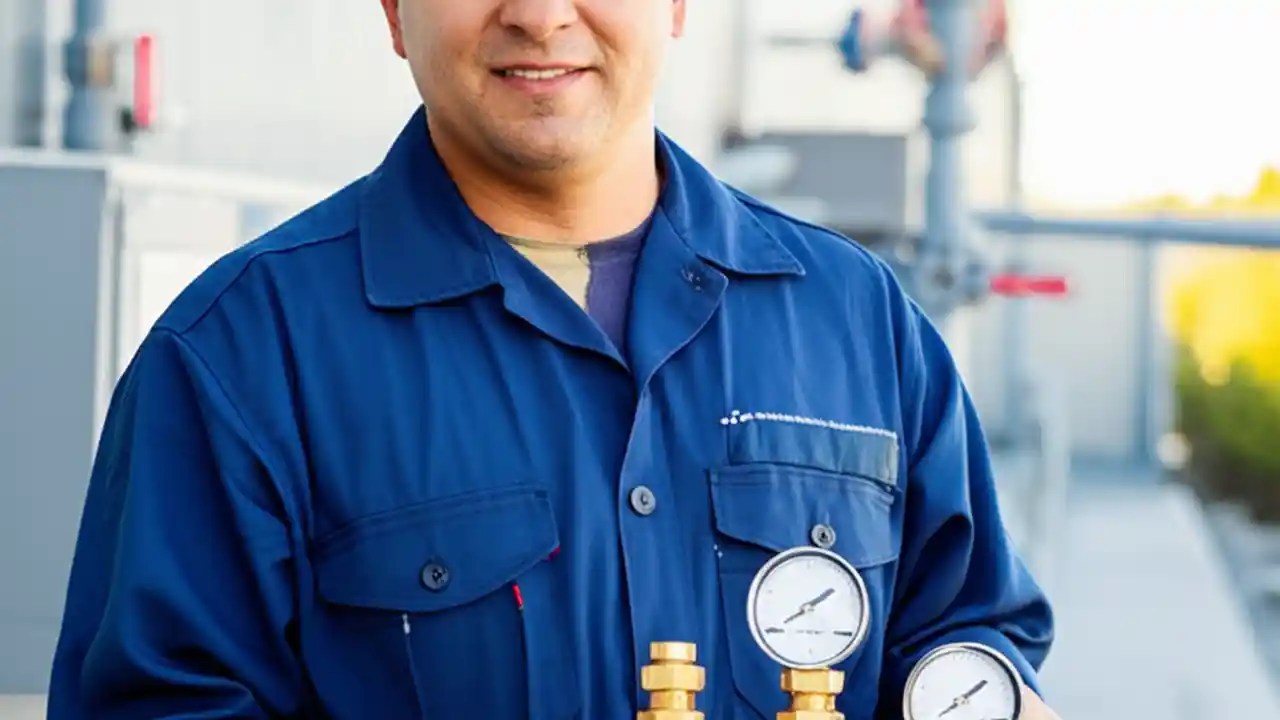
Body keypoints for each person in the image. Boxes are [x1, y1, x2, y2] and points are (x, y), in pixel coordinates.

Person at [47, 1, 1059, 718]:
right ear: (393, 12)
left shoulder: (856, 320)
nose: (537, 15)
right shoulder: (241, 356)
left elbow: (964, 636)